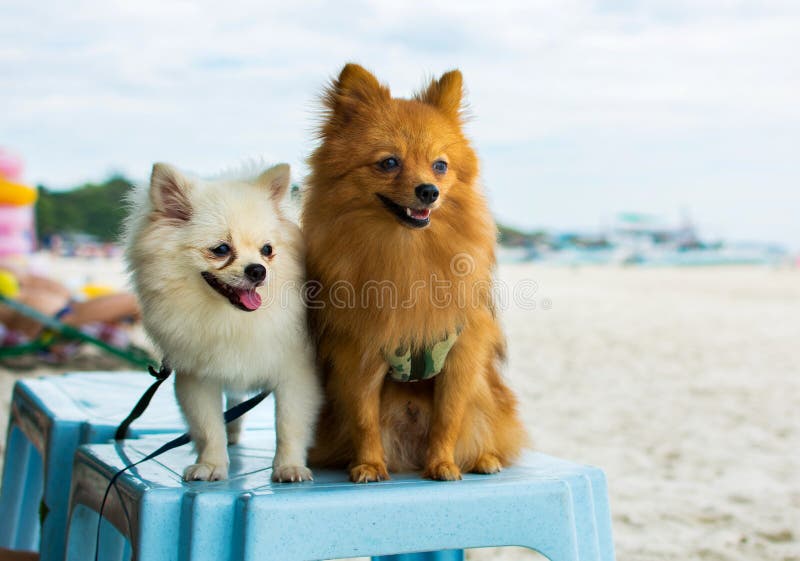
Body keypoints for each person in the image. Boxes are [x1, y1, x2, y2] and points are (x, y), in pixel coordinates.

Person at [0, 263, 140, 356]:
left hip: (60, 319)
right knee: (136, 300)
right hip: (57, 324)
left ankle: (125, 322)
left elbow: (26, 278)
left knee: (137, 302)